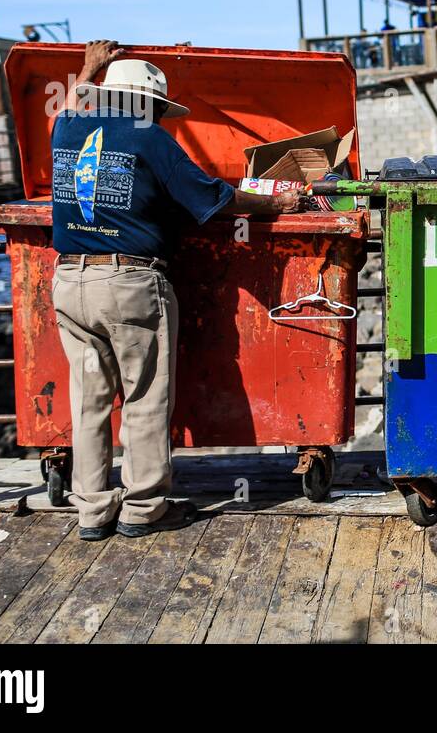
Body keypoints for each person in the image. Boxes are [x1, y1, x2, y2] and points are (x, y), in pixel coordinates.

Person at [52, 40, 299, 541]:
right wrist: (276, 204)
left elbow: (79, 101)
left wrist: (86, 69)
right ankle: (143, 509)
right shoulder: (150, 139)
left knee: (89, 401)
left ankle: (93, 511)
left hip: (68, 282)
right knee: (143, 397)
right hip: (127, 283)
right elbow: (211, 197)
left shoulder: (66, 126)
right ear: (146, 105)